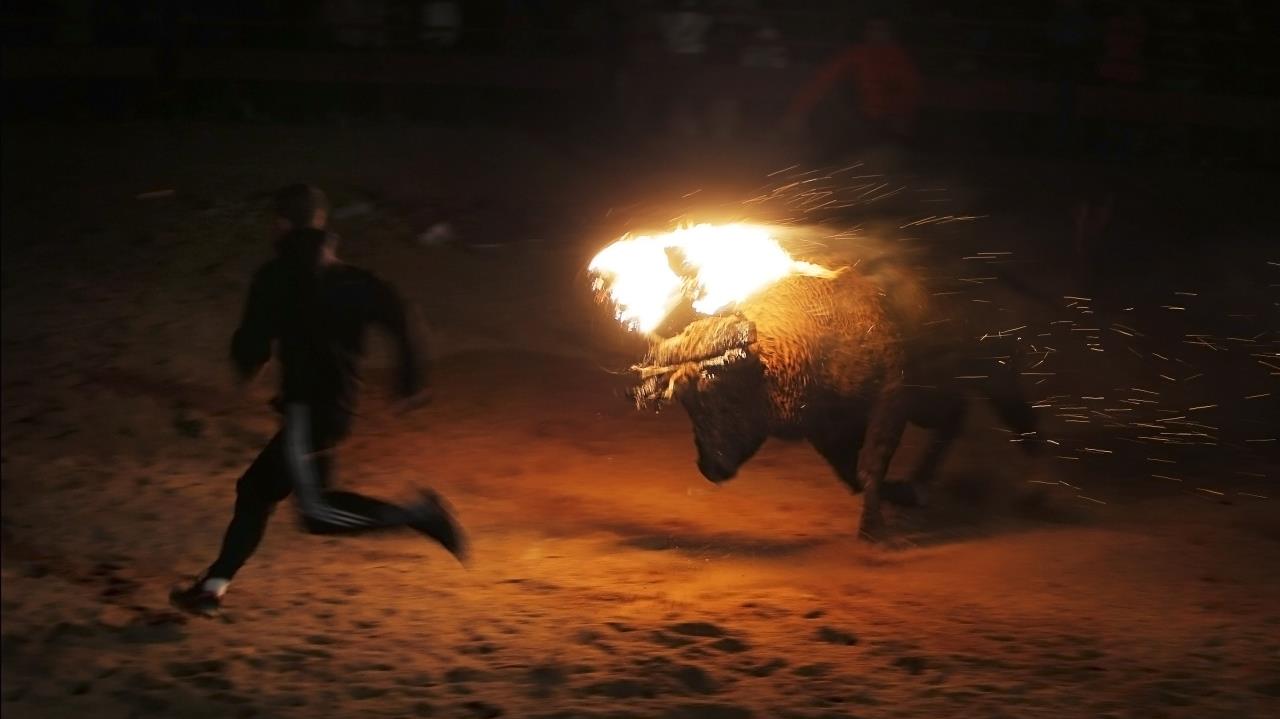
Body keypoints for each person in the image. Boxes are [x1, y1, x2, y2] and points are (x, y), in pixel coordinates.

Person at [170, 184, 466, 617]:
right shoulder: (354, 280)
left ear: (281, 224)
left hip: (308, 410)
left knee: (319, 513)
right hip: (334, 408)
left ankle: (419, 515)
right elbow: (402, 317)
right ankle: (212, 588)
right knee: (254, 491)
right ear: (322, 223)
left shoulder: (274, 276)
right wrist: (410, 379)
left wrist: (246, 364)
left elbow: (252, 340)